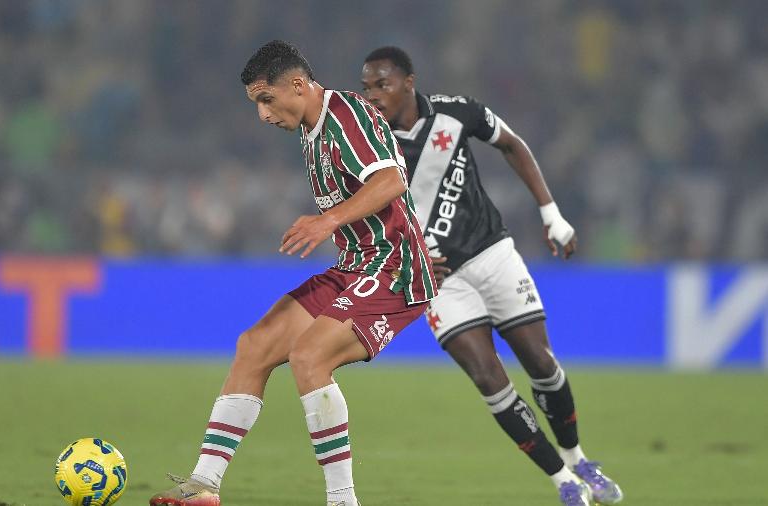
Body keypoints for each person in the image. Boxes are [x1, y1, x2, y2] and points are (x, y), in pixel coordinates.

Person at [150, 40, 437, 506]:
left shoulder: (345, 113)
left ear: (298, 85)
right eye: (256, 104)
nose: (262, 115)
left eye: (267, 100)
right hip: (354, 267)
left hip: (395, 270)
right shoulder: (311, 128)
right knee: (254, 345)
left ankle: (343, 501)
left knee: (309, 358)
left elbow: (392, 180)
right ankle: (204, 485)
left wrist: (328, 220)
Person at [360, 46, 623, 506]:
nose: (374, 95)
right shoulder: (369, 143)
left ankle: (579, 458)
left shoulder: (457, 113)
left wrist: (551, 213)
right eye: (367, 86)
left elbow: (511, 144)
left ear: (408, 82)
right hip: (437, 280)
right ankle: (562, 479)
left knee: (541, 363)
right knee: (487, 377)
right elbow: (362, 218)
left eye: (382, 84)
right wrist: (409, 258)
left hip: (492, 254)